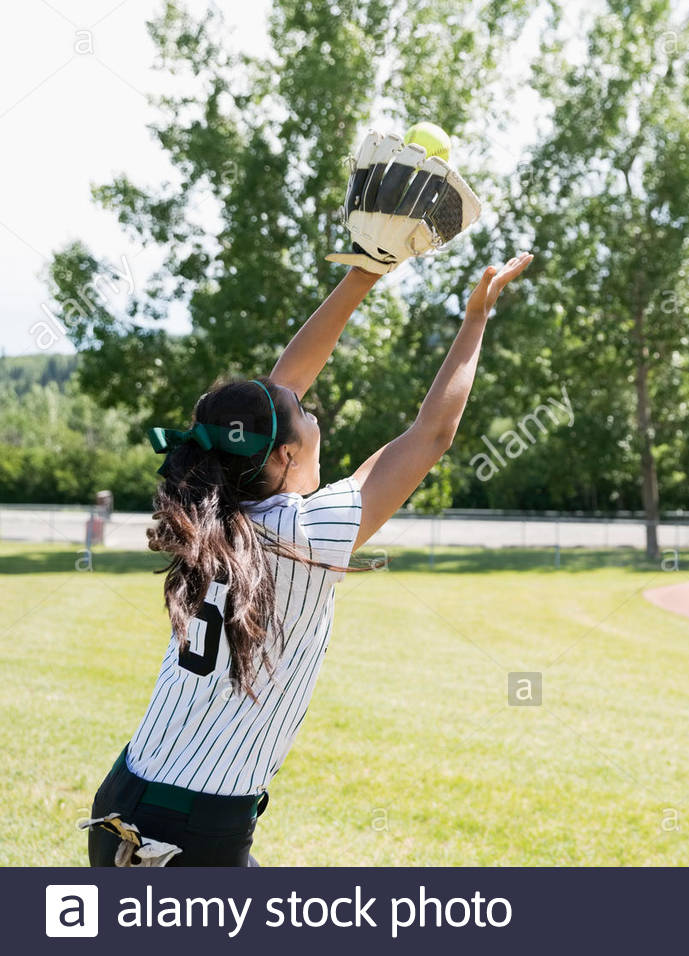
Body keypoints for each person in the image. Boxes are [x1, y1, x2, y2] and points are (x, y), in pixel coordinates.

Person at [84, 254, 533, 867]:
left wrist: (365, 273)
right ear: (288, 459)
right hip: (190, 833)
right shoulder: (304, 533)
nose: (310, 410)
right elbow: (431, 434)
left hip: (134, 797)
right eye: (309, 417)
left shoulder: (216, 513)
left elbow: (277, 396)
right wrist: (477, 317)